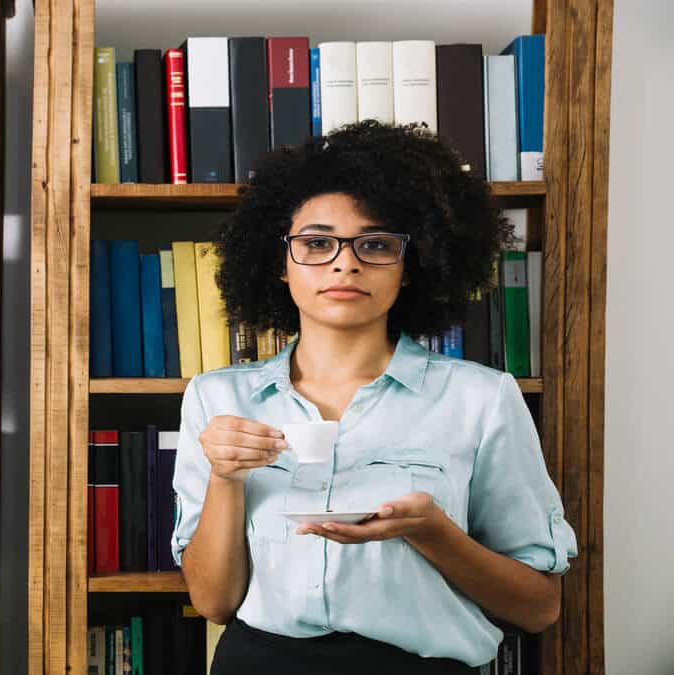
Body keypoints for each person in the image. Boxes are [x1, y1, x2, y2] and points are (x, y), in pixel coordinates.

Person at [170, 121, 578, 675]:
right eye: (316, 243)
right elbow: (213, 602)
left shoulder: (481, 400)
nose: (345, 262)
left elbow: (539, 607)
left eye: (376, 244)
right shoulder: (216, 398)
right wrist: (226, 477)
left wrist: (432, 533)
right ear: (280, 263)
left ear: (411, 266)